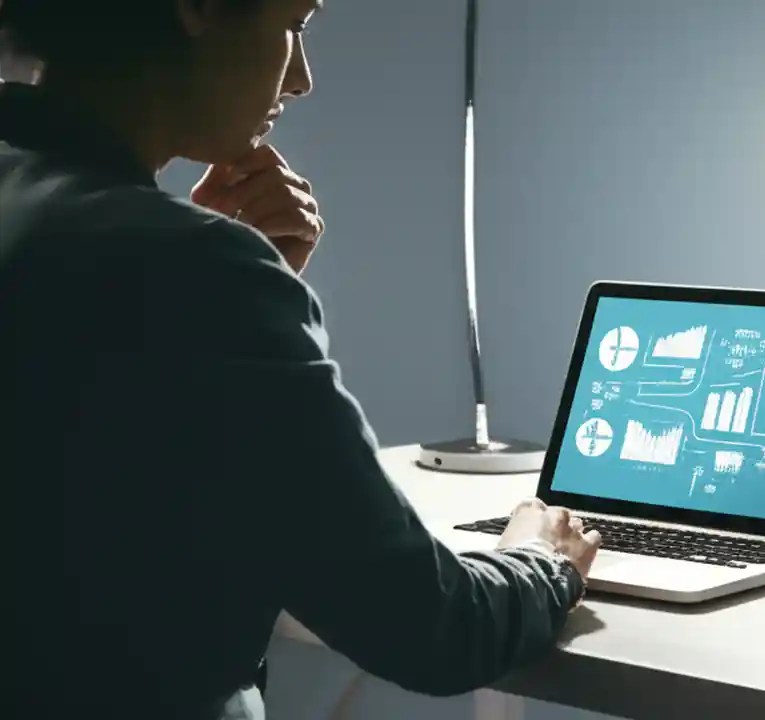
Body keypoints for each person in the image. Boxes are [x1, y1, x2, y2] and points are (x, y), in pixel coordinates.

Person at [0, 1, 603, 718]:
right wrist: (542, 559)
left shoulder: (121, 253)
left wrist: (230, 291)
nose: (302, 79)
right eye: (296, 24)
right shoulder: (191, 270)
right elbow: (436, 626)